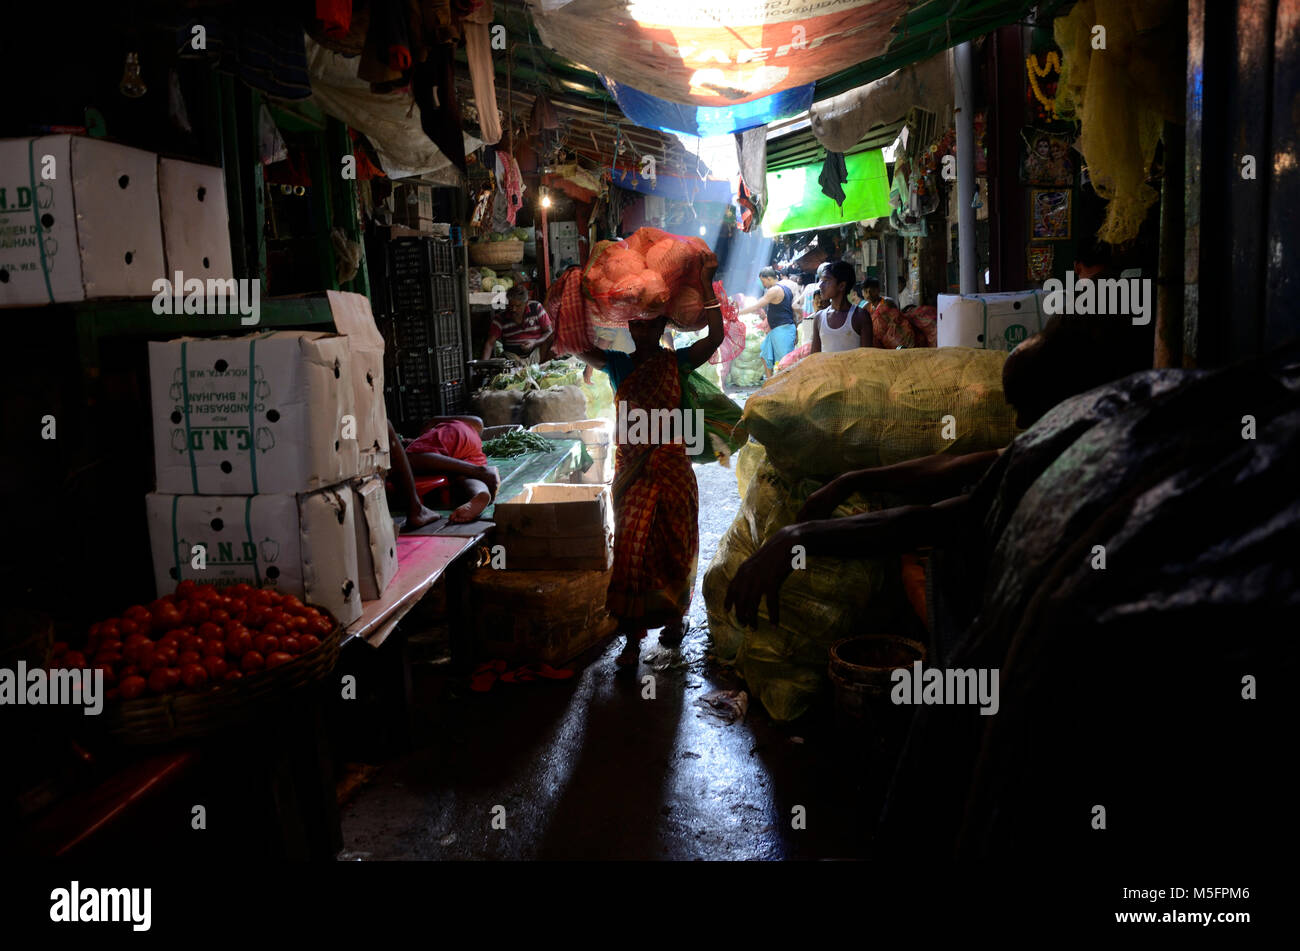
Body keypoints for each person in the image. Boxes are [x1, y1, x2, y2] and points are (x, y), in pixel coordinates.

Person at [724, 312, 1153, 627]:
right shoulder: (1086, 426)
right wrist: (850, 480)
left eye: (1028, 410)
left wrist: (797, 537)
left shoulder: (1088, 465)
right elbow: (957, 464)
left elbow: (930, 521)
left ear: (1074, 399)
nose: (1019, 425)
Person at [574, 257, 724, 668]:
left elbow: (715, 337)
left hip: (672, 468)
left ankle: (674, 617)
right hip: (633, 473)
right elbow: (577, 344)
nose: (643, 330)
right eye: (636, 323)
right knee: (632, 549)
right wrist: (575, 295)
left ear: (663, 326)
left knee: (674, 545)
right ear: (628, 326)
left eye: (651, 323)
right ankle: (632, 640)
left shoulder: (675, 362)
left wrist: (706, 285)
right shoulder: (618, 365)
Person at [390, 416, 501, 525]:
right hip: (469, 450)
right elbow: (478, 422)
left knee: (409, 457)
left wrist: (432, 423)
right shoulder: (461, 436)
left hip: (457, 434)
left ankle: (479, 471)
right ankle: (480, 493)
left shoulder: (434, 432)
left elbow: (477, 422)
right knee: (463, 476)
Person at [737, 266, 798, 378]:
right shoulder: (786, 289)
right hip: (780, 329)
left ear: (769, 278)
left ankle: (784, 389)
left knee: (785, 363)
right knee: (764, 355)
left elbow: (756, 306)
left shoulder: (774, 290)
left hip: (782, 330)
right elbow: (791, 311)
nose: (763, 285)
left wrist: (738, 313)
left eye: (763, 281)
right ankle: (770, 382)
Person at [481, 279, 553, 362]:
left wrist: (535, 342)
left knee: (553, 339)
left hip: (537, 354)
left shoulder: (536, 308)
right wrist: (483, 365)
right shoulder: (500, 318)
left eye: (518, 306)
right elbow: (490, 343)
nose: (514, 309)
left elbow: (549, 332)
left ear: (526, 303)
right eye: (511, 305)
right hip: (513, 359)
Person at [811, 260, 871, 353]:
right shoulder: (819, 318)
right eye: (821, 281)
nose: (821, 286)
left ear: (841, 286)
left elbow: (867, 358)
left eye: (826, 281)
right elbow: (814, 357)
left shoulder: (860, 316)